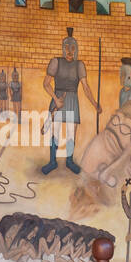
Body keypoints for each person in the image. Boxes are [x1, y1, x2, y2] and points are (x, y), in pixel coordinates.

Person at [42, 28, 100, 175]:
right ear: (63, 49)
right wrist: (56, 100)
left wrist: (94, 103)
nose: (69, 51)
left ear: (76, 50)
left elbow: (85, 87)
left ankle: (69, 161)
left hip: (73, 100)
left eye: (72, 48)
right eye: (67, 48)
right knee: (54, 131)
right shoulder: (56, 62)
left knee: (70, 133)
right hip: (58, 99)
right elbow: (46, 83)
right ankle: (52, 162)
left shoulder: (79, 65)